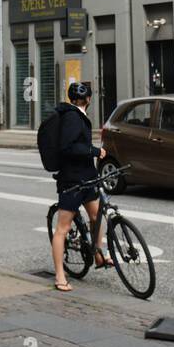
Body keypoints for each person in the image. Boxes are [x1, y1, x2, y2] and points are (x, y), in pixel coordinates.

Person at [50, 81, 112, 293]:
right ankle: (60, 274)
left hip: (87, 178)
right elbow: (67, 147)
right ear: (88, 99)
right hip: (72, 182)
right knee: (63, 229)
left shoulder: (78, 116)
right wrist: (94, 151)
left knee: (96, 217)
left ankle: (97, 255)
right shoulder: (72, 117)